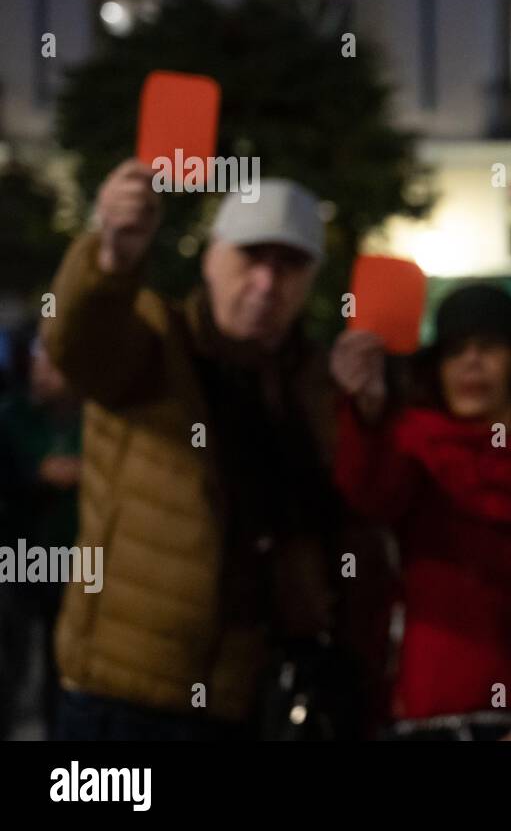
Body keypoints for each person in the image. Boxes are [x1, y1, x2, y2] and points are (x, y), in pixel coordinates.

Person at [41, 158, 343, 740]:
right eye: (251, 256)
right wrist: (112, 258)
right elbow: (78, 339)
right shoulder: (153, 339)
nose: (266, 282)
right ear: (211, 258)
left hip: (242, 699)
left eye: (290, 264)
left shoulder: (308, 382)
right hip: (122, 695)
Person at [332, 284, 511, 740]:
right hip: (415, 720)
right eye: (455, 351)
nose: (471, 362)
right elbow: (364, 496)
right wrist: (365, 410)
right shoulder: (411, 452)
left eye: (488, 347)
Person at [0, 336, 82, 736]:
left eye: (53, 362)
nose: (41, 370)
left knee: (62, 664)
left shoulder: (96, 422)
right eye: (37, 360)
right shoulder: (12, 417)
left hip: (75, 565)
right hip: (17, 560)